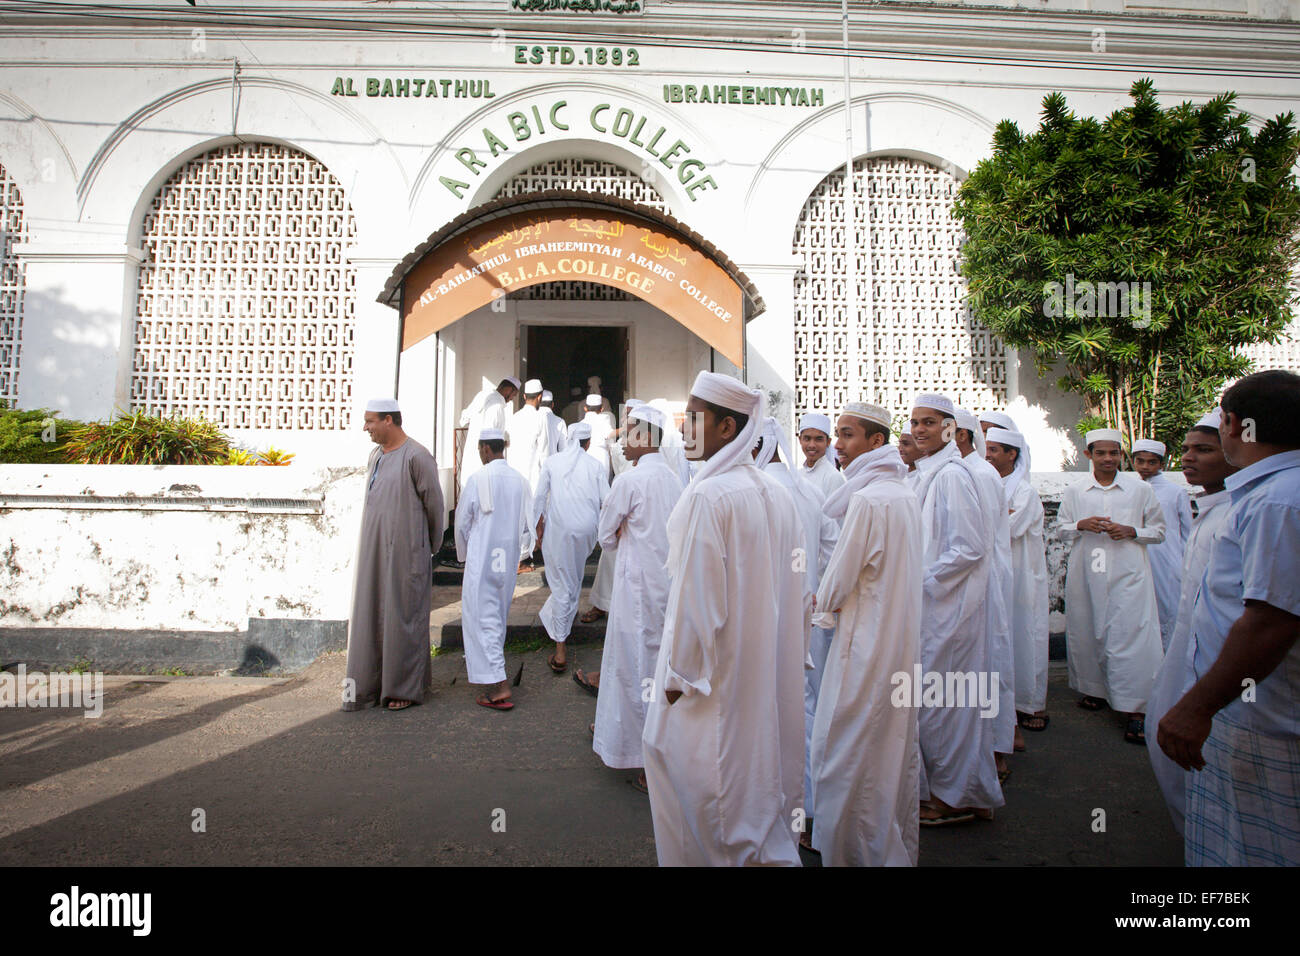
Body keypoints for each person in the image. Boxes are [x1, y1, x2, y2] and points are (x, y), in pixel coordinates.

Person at [642, 371, 809, 866]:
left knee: (708, 808)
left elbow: (699, 605)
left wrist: (677, 682)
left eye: (695, 419)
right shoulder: (777, 495)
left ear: (728, 429)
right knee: (753, 797)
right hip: (760, 678)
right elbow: (800, 592)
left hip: (706, 687)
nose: (685, 429)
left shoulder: (708, 498)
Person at [1160, 371, 1300, 866]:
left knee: (1253, 849)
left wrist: (1197, 707)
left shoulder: (1276, 500)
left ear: (1237, 426)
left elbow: (1272, 621)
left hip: (1262, 718)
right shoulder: (1268, 493)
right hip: (1250, 709)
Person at [808, 402, 922, 866]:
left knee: (842, 747)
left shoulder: (870, 499)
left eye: (848, 435)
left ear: (877, 442)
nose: (838, 444)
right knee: (886, 748)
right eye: (837, 433)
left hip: (864, 642)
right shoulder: (903, 494)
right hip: (895, 640)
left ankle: (850, 850)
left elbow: (840, 577)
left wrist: (819, 606)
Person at [909, 393, 1002, 825]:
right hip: (931, 608)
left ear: (951, 430)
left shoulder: (951, 476)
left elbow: (969, 547)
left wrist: (920, 581)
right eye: (914, 422)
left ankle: (954, 797)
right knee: (937, 702)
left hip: (949, 609)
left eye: (930, 422)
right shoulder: (926, 474)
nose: (920, 429)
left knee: (945, 705)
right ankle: (964, 791)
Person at [1146, 409, 1238, 837]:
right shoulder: (1211, 506)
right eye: (1185, 449)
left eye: (1204, 449)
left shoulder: (1240, 513)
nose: (1188, 458)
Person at [753, 416, 838, 847]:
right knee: (808, 709)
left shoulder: (758, 492)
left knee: (774, 714)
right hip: (809, 613)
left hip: (771, 620)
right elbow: (829, 548)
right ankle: (808, 812)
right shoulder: (805, 488)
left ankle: (790, 815)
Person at [591, 405, 683, 790]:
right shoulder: (674, 479)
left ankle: (646, 758)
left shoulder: (629, 481)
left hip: (636, 590)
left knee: (632, 667)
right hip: (666, 590)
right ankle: (631, 740)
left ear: (645, 437)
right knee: (654, 667)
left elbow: (606, 536)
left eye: (627, 433)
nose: (622, 441)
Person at [1059, 428, 1166, 745]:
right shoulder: (1076, 490)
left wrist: (1131, 530)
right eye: (1101, 453)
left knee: (1130, 633)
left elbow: (1159, 531)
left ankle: (1137, 710)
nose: (1108, 459)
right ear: (1088, 455)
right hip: (1087, 570)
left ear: (1121, 456)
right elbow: (1062, 527)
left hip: (1128, 571)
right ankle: (1095, 690)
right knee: (1087, 627)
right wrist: (1081, 524)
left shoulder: (1139, 489)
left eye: (1114, 453)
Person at [343, 399, 445, 712]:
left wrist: (425, 545)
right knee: (371, 615)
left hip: (407, 552)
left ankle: (404, 688)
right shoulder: (375, 456)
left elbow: (435, 508)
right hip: (374, 553)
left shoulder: (416, 455)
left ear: (389, 420)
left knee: (404, 617)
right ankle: (369, 687)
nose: (365, 428)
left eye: (370, 421)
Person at [954, 407, 1016, 783]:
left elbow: (972, 544)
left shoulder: (977, 473)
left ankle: (993, 754)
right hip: (970, 583)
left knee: (988, 665)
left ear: (958, 435)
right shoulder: (964, 472)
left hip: (980, 582)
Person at [455, 427, 535, 711]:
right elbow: (530, 523)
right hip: (507, 560)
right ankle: (493, 676)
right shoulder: (521, 481)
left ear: (486, 449)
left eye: (479, 450)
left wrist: (465, 556)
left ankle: (499, 684)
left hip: (483, 559)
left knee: (482, 617)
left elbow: (462, 522)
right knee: (496, 617)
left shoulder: (477, 479)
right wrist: (523, 554)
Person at [985, 426, 1050, 737]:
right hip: (993, 572)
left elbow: (1006, 528)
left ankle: (1028, 704)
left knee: (1023, 636)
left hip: (1020, 575)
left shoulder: (1025, 492)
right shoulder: (985, 483)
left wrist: (992, 517)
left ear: (1012, 454)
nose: (988, 454)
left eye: (995, 449)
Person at [533, 421, 608, 673]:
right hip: (587, 531)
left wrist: (536, 525)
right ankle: (567, 616)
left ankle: (560, 650)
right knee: (572, 576)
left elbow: (539, 496)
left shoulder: (553, 462)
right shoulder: (596, 465)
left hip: (560, 530)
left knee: (562, 585)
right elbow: (606, 501)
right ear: (587, 443)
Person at [1132, 439, 1194, 652]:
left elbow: (1188, 531)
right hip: (1137, 557)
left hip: (1168, 560)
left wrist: (1187, 564)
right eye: (1140, 461)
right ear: (1132, 461)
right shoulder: (1128, 489)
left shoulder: (1176, 492)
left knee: (1168, 612)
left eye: (1151, 462)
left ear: (1161, 464)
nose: (1145, 467)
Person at [458, 376, 519, 491]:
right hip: (484, 460)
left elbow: (464, 418)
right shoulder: (496, 407)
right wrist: (502, 445)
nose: (512, 399)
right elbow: (488, 438)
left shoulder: (482, 395)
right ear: (508, 390)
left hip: (472, 455)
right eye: (513, 395)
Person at [506, 378, 552, 494]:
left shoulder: (514, 417)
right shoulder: (541, 418)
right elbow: (544, 453)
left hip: (513, 478)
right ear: (540, 397)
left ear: (524, 397)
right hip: (532, 479)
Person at [797, 412, 845, 498]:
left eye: (818, 439)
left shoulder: (833, 478)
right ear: (800, 440)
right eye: (807, 439)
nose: (812, 445)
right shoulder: (797, 474)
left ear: (828, 442)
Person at [539, 390, 567, 456]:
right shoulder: (560, 421)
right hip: (552, 463)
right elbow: (563, 449)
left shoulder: (532, 418)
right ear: (552, 404)